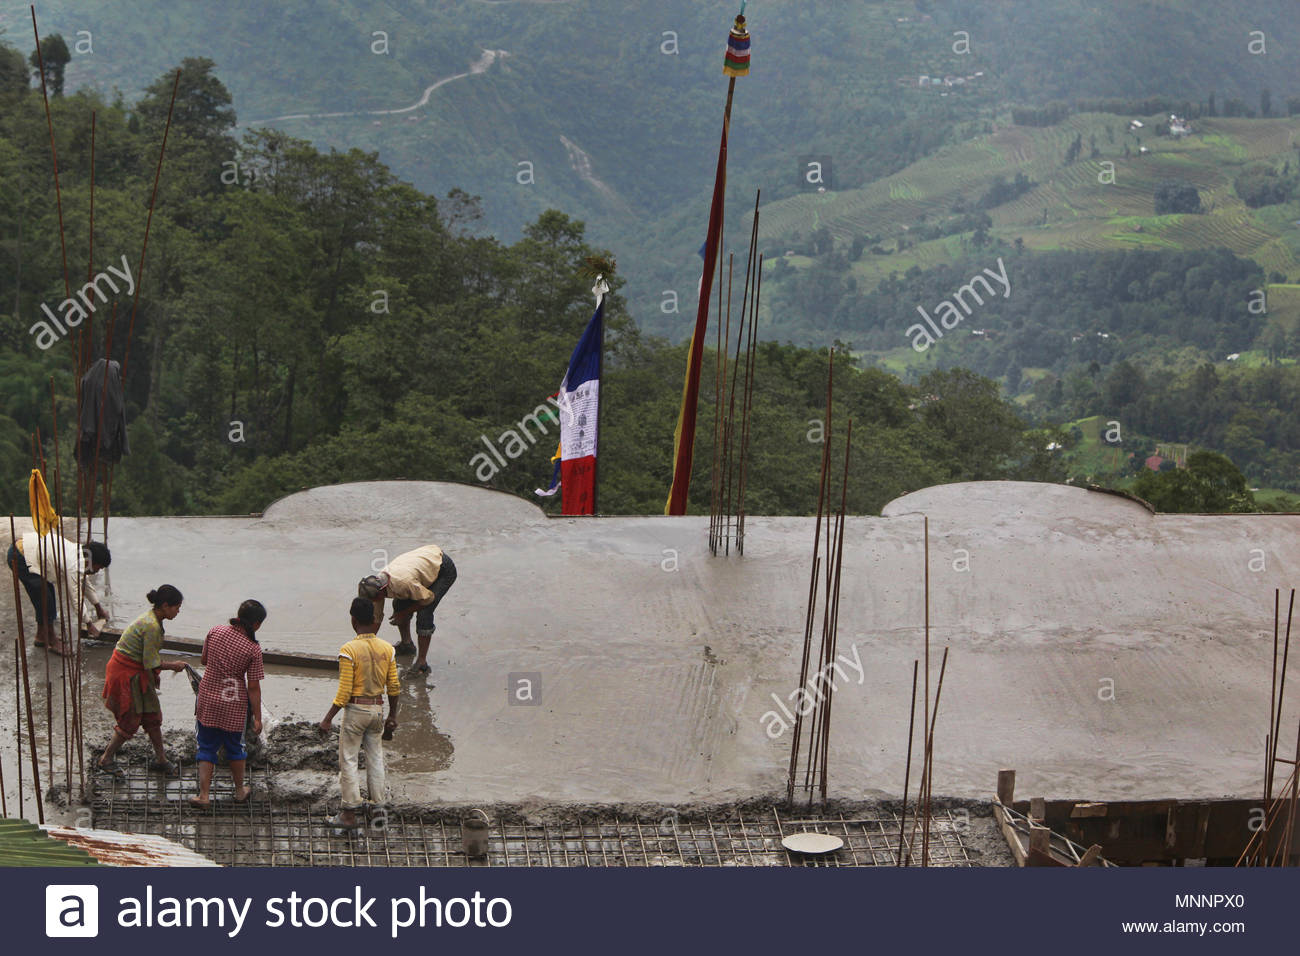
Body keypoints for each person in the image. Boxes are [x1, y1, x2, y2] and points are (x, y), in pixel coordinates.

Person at [318, 597, 400, 829]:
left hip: (356, 711)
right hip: (377, 710)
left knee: (349, 760)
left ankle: (349, 815)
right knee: (375, 759)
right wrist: (392, 715)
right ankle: (378, 809)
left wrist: (327, 718)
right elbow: (393, 687)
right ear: (374, 620)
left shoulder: (349, 650)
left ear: (353, 620)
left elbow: (344, 692)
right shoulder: (387, 649)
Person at [96, 585, 186, 776]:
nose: (178, 611)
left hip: (138, 671)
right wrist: (174, 665)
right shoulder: (152, 626)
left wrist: (154, 675)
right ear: (165, 606)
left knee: (152, 716)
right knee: (130, 719)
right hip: (125, 673)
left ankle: (161, 758)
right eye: (176, 607)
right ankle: (106, 758)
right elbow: (151, 662)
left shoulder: (154, 618)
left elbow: (148, 660)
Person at [190, 600, 266, 808]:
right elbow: (253, 687)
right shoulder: (253, 649)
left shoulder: (216, 631)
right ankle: (240, 790)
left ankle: (204, 795)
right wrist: (257, 717)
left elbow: (204, 660)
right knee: (235, 747)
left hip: (207, 697)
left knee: (206, 746)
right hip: (233, 703)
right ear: (257, 624)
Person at [357, 544, 457, 675]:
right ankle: (407, 645)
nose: (373, 603)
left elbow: (428, 599)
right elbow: (377, 618)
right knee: (398, 605)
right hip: (421, 565)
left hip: (441, 568)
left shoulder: (402, 583)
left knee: (424, 614)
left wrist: (404, 614)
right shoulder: (376, 586)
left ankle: (422, 663)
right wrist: (365, 645)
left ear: (381, 593)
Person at [6, 532, 110, 655]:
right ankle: (52, 641)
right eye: (99, 567)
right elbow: (75, 598)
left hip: (29, 551)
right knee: (45, 598)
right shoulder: (74, 564)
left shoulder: (82, 555)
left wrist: (98, 607)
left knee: (46, 593)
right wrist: (88, 623)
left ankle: (41, 636)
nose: (98, 571)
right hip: (21, 556)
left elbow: (85, 584)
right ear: (92, 561)